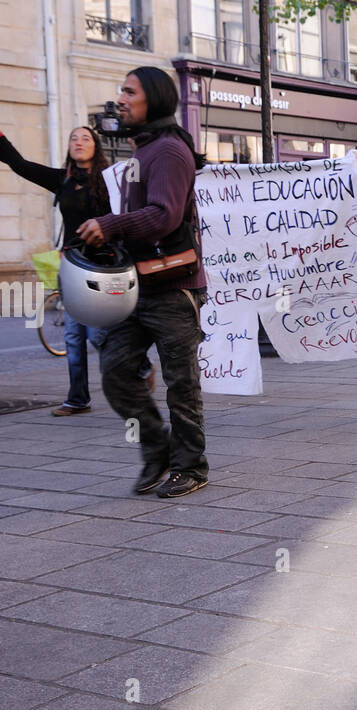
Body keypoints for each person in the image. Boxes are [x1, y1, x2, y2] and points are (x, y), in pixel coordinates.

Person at [74, 66, 208, 499]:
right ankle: (157, 451)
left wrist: (111, 225)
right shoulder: (145, 150)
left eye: (129, 92)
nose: (121, 98)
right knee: (115, 371)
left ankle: (191, 466)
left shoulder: (168, 151)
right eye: (120, 91)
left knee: (180, 384)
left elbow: (165, 215)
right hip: (138, 287)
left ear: (153, 98)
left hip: (173, 286)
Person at [0, 101, 126, 417]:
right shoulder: (62, 179)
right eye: (74, 139)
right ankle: (78, 398)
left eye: (85, 138)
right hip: (71, 265)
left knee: (97, 334)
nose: (79, 142)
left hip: (102, 266)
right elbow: (21, 165)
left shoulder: (109, 179)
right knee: (72, 335)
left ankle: (135, 370)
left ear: (95, 147)